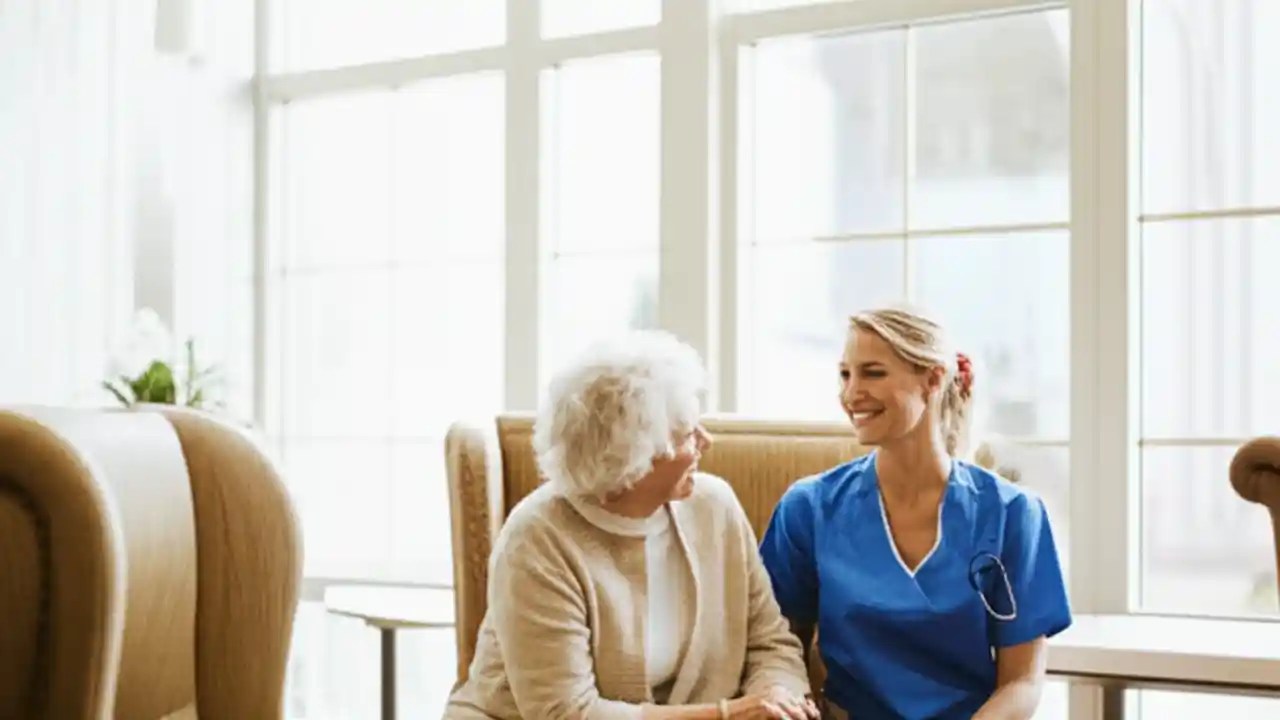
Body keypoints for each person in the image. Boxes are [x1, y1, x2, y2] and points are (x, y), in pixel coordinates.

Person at [446, 330, 819, 720]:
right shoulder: (537, 539)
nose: (707, 441)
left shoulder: (714, 506)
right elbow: (565, 712)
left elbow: (770, 642)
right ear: (634, 458)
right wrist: (728, 714)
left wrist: (778, 696)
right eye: (689, 434)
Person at [759, 306, 1072, 720]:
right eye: (845, 374)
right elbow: (773, 647)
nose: (852, 394)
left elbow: (1021, 681)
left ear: (933, 379)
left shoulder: (1013, 515)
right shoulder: (809, 509)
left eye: (872, 373)